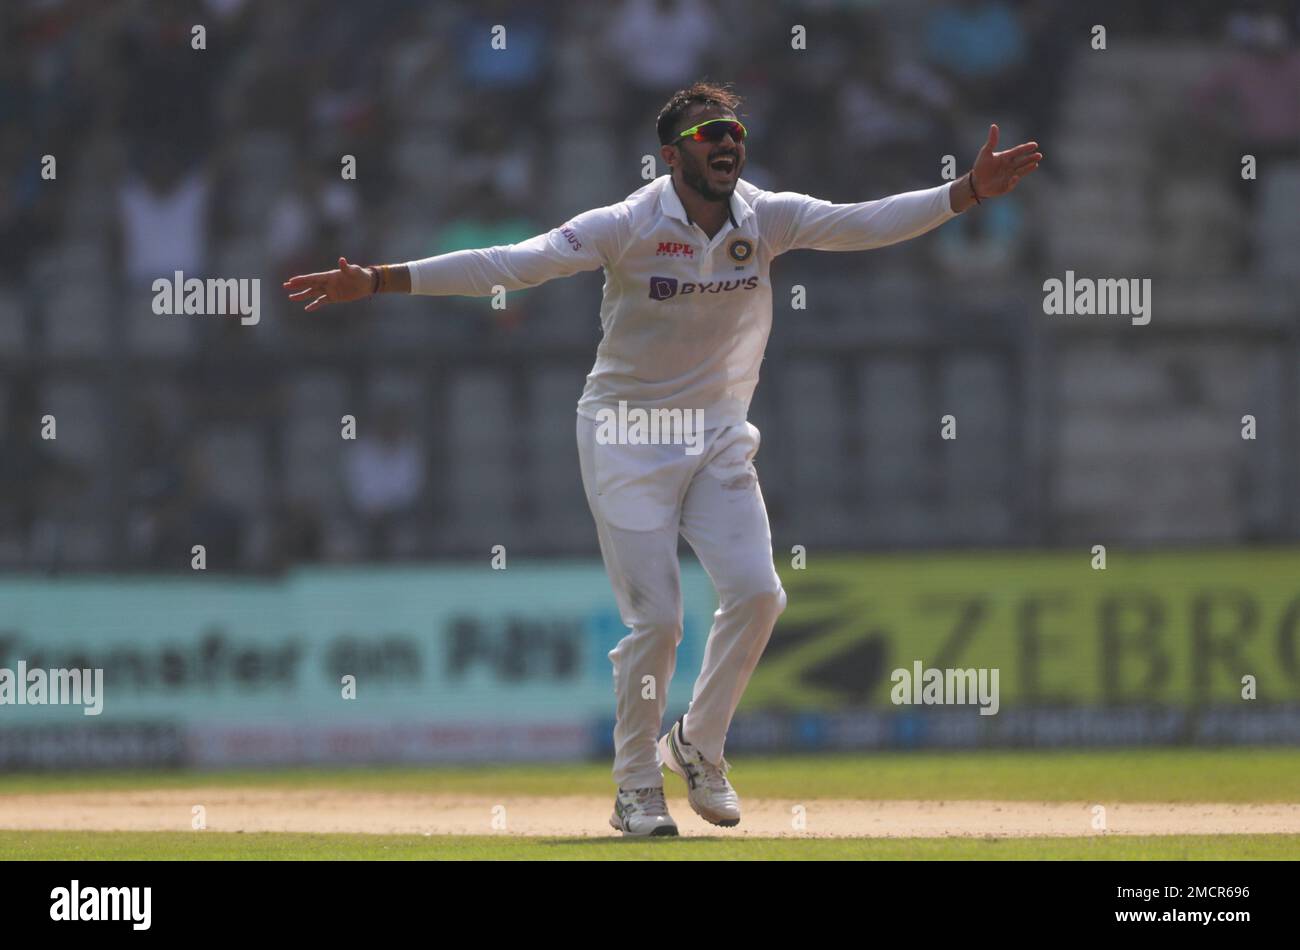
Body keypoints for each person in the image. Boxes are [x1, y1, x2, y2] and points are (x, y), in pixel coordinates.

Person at [283, 81, 1041, 836]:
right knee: (660, 622)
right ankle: (636, 783)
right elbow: (510, 264)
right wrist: (381, 279)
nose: (728, 145)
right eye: (711, 133)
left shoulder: (766, 217)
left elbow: (864, 223)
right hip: (624, 436)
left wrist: (965, 192)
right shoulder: (628, 224)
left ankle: (698, 745)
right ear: (671, 154)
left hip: (716, 435)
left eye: (736, 134)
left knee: (759, 594)